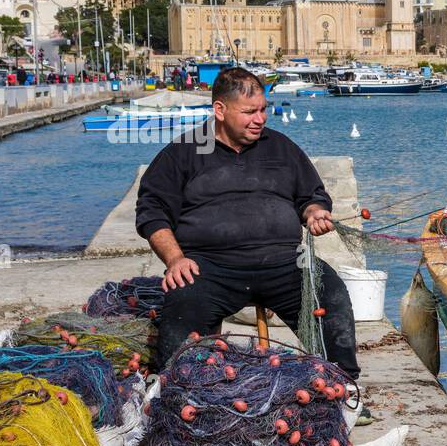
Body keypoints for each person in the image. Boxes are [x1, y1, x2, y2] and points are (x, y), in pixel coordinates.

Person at [135, 67, 361, 378]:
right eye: (249, 112)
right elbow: (152, 209)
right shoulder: (184, 152)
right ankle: (180, 386)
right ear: (220, 110)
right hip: (209, 268)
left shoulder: (281, 147)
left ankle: (342, 381)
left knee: (330, 293)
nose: (260, 119)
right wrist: (175, 259)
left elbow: (311, 195)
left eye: (263, 110)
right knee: (182, 305)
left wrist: (314, 212)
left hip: (285, 265)